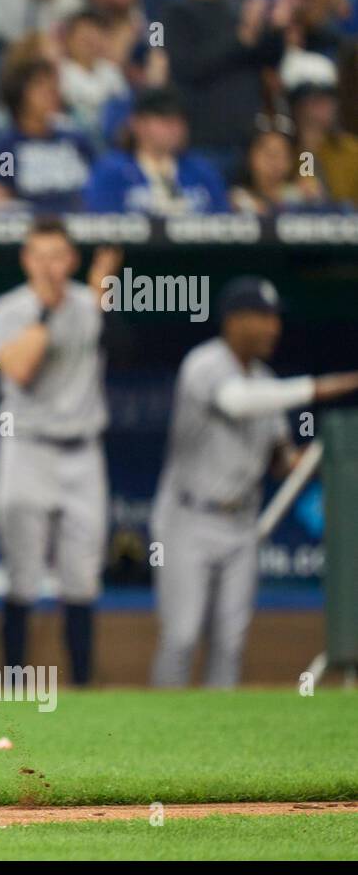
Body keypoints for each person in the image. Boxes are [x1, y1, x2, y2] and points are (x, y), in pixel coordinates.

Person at [150, 277, 358, 687]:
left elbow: (281, 459)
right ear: (234, 321)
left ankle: (217, 734)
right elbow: (236, 401)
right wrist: (331, 386)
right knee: (182, 635)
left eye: (275, 318)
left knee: (231, 641)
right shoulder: (204, 363)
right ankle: (156, 735)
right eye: (262, 318)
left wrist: (328, 458)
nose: (272, 328)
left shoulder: (266, 380)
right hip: (188, 518)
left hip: (241, 524)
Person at [0, 219, 123, 686]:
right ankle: (17, 689)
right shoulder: (8, 308)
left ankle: (82, 688)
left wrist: (102, 291)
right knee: (23, 579)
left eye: (58, 256)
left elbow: (125, 345)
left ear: (72, 260)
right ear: (26, 260)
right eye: (39, 256)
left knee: (81, 580)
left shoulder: (88, 304)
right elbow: (20, 368)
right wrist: (45, 311)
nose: (49, 266)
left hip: (84, 453)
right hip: (27, 450)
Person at [160, 0, 290, 180]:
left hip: (248, 141)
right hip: (205, 140)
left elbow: (268, 61)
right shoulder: (177, 12)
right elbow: (188, 68)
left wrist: (277, 29)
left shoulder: (238, 9)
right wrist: (243, 37)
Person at [84, 87, 229, 214]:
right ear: (137, 124)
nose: (175, 128)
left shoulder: (202, 171)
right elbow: (101, 223)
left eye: (180, 121)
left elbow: (222, 219)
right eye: (165, 120)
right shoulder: (111, 171)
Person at [0, 56, 96, 212]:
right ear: (19, 92)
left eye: (53, 85)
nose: (50, 92)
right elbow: (2, 197)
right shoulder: (6, 151)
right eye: (40, 85)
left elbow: (98, 187)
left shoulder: (76, 142)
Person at [58, 9, 129, 144]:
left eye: (95, 35)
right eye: (84, 37)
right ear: (69, 39)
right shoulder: (59, 72)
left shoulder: (112, 71)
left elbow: (123, 108)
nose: (90, 42)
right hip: (75, 137)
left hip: (111, 137)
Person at [289, 75, 358, 207]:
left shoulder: (352, 150)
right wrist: (307, 148)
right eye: (313, 102)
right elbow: (307, 181)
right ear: (298, 108)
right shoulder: (289, 151)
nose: (323, 108)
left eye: (328, 100)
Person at [229, 128, 329, 214]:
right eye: (269, 155)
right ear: (252, 157)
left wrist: (315, 197)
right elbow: (244, 202)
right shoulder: (238, 197)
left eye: (282, 156)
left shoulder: (300, 194)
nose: (275, 164)